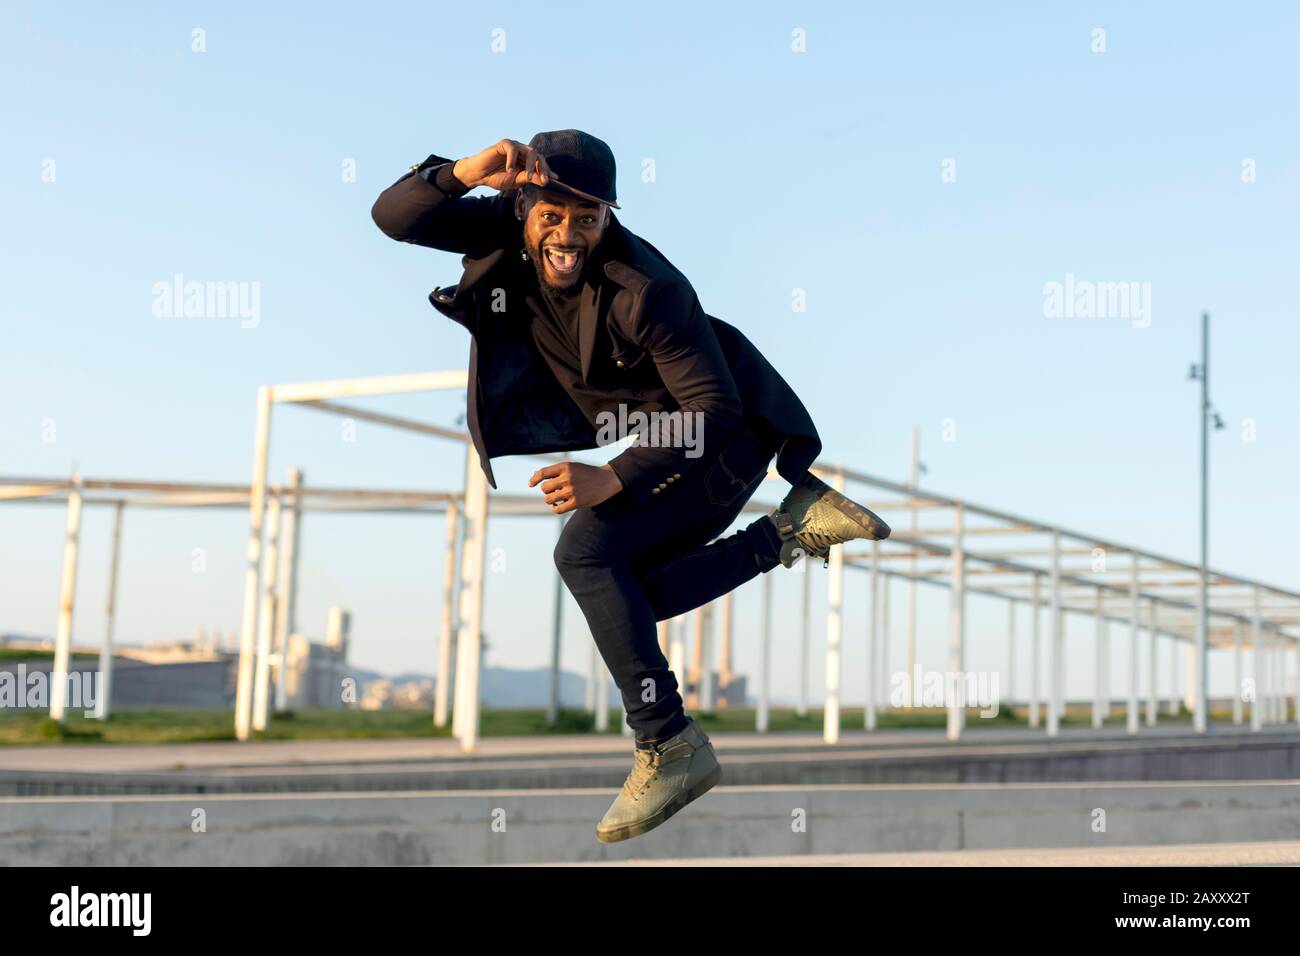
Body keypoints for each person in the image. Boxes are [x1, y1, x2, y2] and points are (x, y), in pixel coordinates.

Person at [372, 130, 890, 843]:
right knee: (630, 597)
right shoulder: (501, 222)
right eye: (551, 213)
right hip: (674, 430)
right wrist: (466, 171)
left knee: (584, 554)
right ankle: (791, 531)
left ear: (608, 217)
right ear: (522, 202)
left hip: (728, 435)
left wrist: (610, 475)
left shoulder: (647, 291)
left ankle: (668, 743)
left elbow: (712, 411)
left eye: (588, 218)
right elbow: (394, 217)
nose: (567, 234)